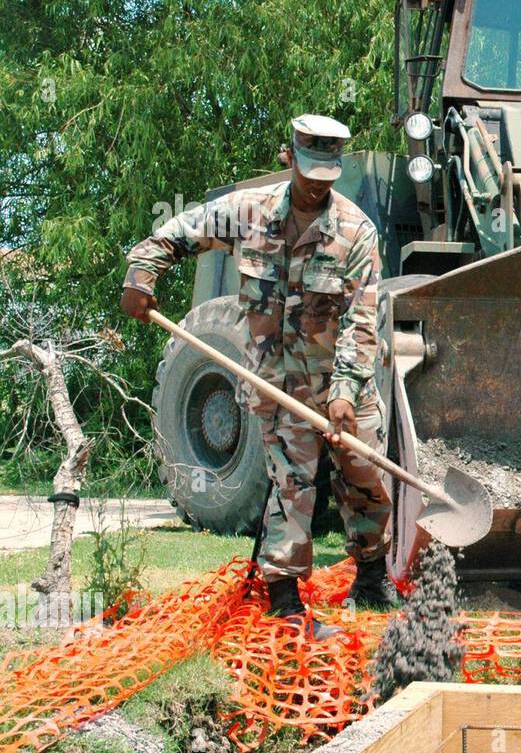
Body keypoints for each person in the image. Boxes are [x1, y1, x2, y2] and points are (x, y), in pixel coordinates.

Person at [119, 114, 398, 638]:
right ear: (289, 160)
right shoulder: (248, 212)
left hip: (346, 385)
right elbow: (180, 232)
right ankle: (286, 600)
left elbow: (363, 321)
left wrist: (342, 394)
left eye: (326, 177)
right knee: (291, 484)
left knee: (365, 480)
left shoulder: (357, 232)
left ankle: (372, 579)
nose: (316, 186)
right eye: (308, 173)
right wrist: (142, 273)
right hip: (278, 383)